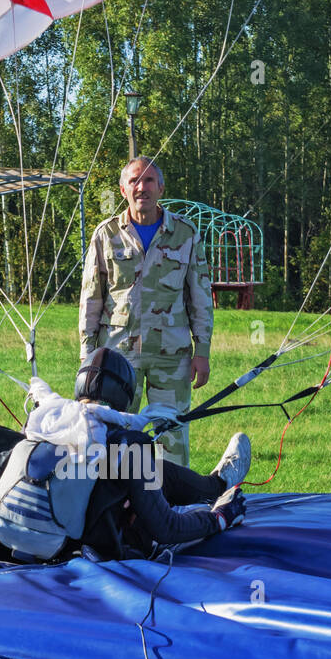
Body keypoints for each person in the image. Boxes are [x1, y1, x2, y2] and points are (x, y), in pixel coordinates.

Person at [0, 348, 248, 566]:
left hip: (16, 544)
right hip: (90, 548)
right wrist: (219, 519)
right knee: (147, 472)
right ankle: (217, 487)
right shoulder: (128, 451)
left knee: (145, 470)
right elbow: (167, 527)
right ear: (125, 396)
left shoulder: (39, 427)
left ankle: (215, 484)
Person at [79, 156, 213, 467]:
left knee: (172, 435)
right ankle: (119, 507)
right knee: (114, 436)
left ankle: (173, 507)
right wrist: (88, 356)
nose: (142, 187)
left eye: (149, 180)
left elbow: (200, 296)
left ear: (161, 188)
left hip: (172, 354)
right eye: (135, 181)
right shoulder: (106, 234)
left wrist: (202, 349)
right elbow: (91, 299)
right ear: (123, 189)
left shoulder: (184, 233)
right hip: (118, 356)